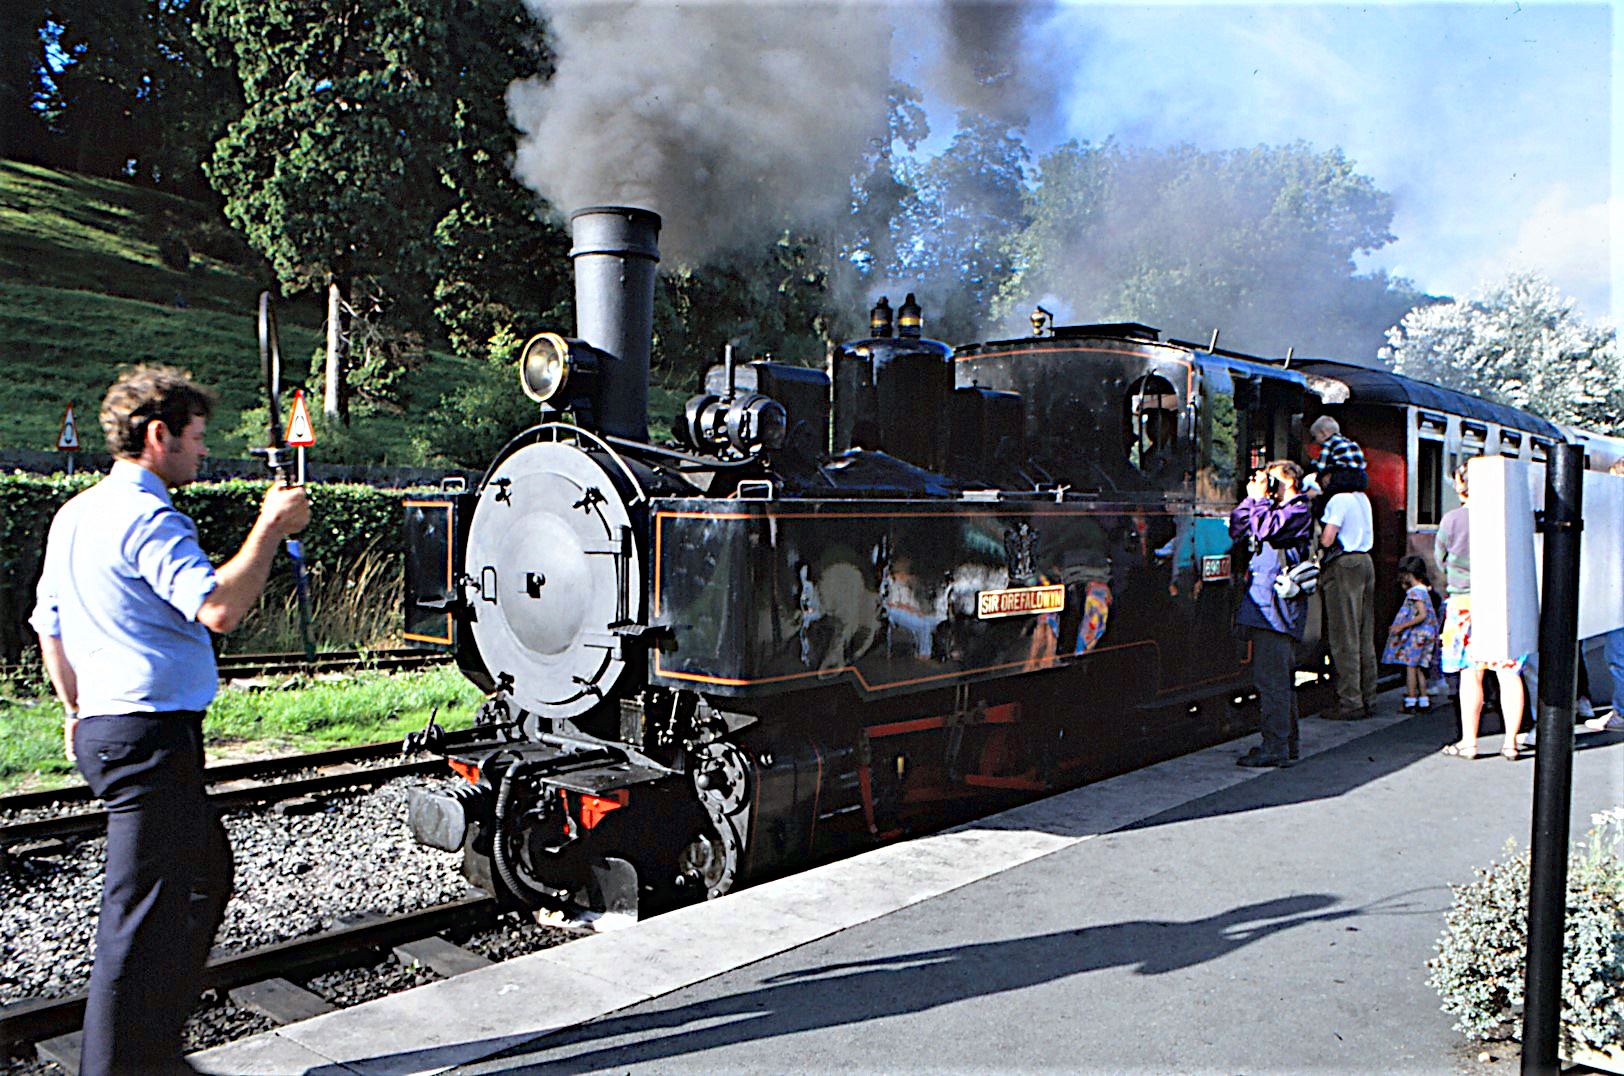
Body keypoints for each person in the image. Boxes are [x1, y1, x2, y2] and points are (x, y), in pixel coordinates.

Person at [30, 365, 310, 1075]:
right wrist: (270, 528)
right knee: (139, 915)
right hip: (148, 733)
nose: (202, 453)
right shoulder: (147, 514)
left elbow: (50, 630)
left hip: (112, 726)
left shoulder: (76, 514)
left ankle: (154, 1047)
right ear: (158, 436)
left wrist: (73, 711)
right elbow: (218, 606)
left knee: (200, 878)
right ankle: (123, 1065)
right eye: (195, 438)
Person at [1434, 460, 1527, 760]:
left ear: (1462, 487)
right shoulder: (1507, 517)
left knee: (1471, 674)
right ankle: (1511, 743)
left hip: (1463, 603)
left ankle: (1470, 742)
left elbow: (1440, 558)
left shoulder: (1452, 520)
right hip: (1503, 602)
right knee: (1509, 674)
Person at [1230, 459, 1314, 767]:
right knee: (1276, 679)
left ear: (1290, 482)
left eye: (1274, 481)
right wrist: (1253, 498)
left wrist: (1260, 501)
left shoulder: (1298, 510)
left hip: (1278, 609)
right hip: (1263, 603)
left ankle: (1276, 746)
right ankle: (1285, 744)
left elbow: (1266, 529)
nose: (1269, 487)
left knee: (1273, 682)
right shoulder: (1267, 506)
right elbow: (1238, 526)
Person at [1318, 475, 1377, 720]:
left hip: (1345, 565)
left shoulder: (1339, 500)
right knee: (1364, 635)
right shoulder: (1362, 498)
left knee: (1344, 636)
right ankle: (1368, 696)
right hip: (1365, 562)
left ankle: (1350, 701)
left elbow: (1328, 537)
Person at [1383, 555, 1441, 712]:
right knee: (1420, 667)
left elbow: (1421, 614)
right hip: (1427, 634)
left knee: (1410, 667)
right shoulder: (1425, 591)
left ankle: (1410, 699)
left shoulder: (1415, 593)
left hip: (1416, 636)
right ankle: (1423, 699)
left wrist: (1401, 626)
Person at [1306, 415, 1369, 516]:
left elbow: (1322, 466)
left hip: (1342, 475)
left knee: (1327, 498)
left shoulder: (1328, 444)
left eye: (1315, 437)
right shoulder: (1351, 442)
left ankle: (1324, 515)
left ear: (1323, 433)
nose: (1315, 441)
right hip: (1360, 476)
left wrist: (1316, 472)